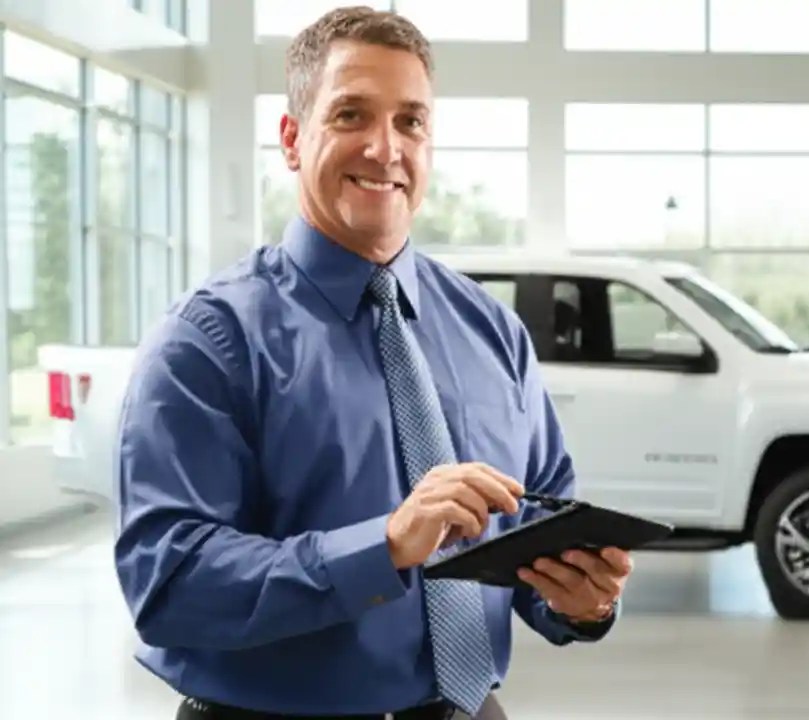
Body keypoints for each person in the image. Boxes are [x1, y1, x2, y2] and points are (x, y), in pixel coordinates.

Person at [112, 6, 632, 719]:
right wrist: (383, 547)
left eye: (410, 121)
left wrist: (579, 600)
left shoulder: (492, 331)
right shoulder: (208, 340)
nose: (385, 149)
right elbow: (168, 582)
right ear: (292, 138)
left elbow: (541, 519)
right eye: (351, 114)